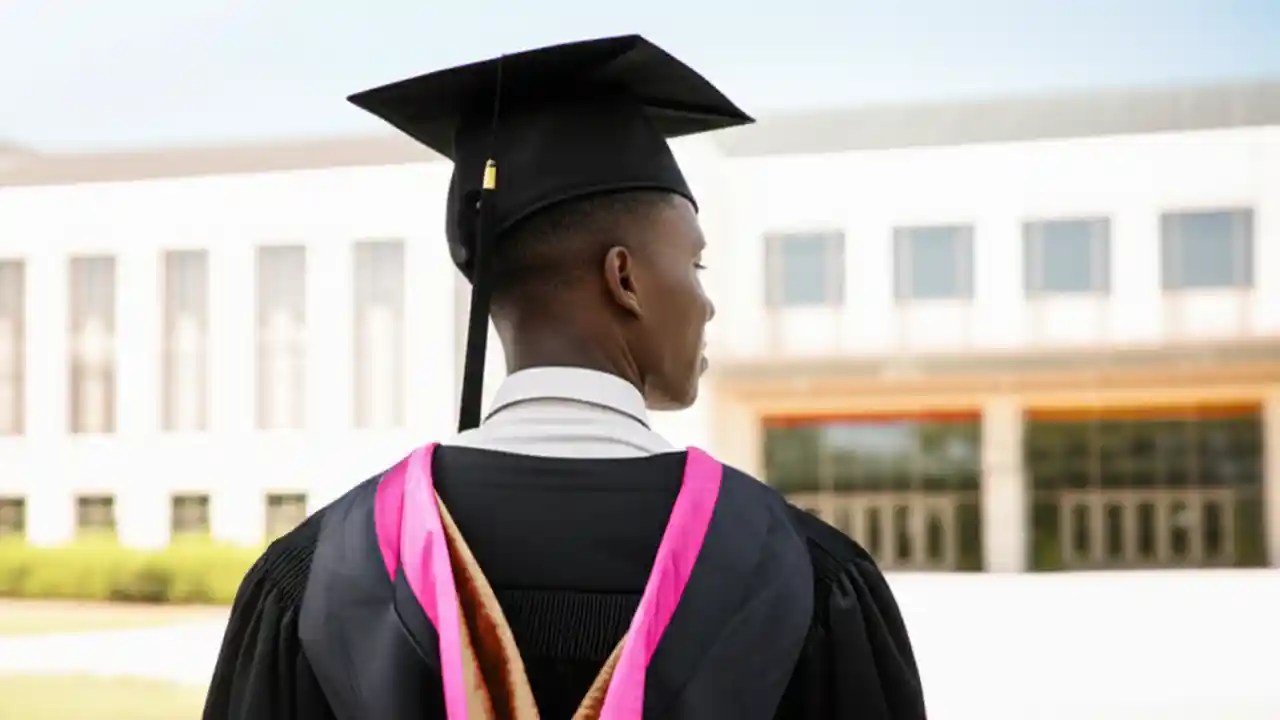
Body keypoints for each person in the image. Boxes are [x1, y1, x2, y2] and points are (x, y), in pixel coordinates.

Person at [203, 34, 926, 720]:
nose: (707, 302)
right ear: (625, 278)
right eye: (696, 265)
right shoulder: (799, 577)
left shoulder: (324, 576)